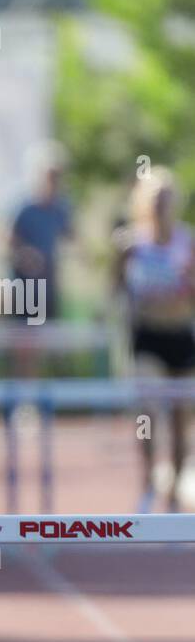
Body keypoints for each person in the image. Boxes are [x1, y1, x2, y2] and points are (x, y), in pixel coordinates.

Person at [113, 168, 195, 512]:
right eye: (156, 195)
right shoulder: (131, 243)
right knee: (147, 413)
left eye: (167, 195)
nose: (162, 202)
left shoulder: (186, 241)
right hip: (147, 336)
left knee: (181, 421)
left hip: (180, 335)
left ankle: (174, 493)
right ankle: (148, 479)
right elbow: (115, 289)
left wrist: (180, 289)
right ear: (144, 200)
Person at [8, 147, 74, 375]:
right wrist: (25, 254)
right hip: (25, 287)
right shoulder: (23, 206)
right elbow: (5, 239)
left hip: (49, 286)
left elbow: (72, 236)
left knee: (51, 344)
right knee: (25, 347)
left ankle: (46, 398)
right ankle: (23, 401)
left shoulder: (61, 208)